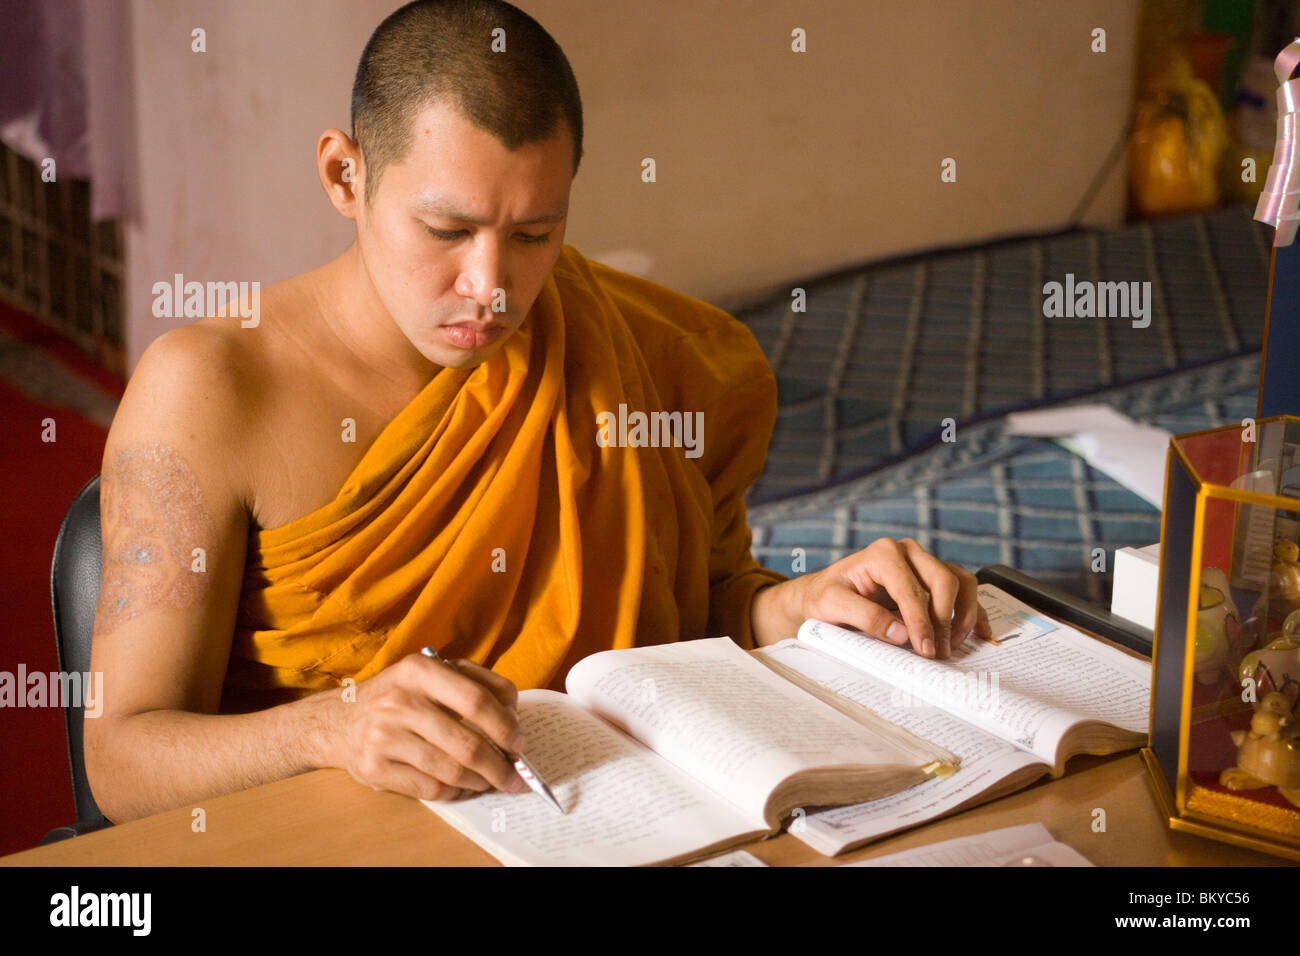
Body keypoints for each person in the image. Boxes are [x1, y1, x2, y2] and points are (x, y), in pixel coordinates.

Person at [84, 0, 990, 824]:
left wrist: (807, 606)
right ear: (344, 176)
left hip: (622, 824)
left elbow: (701, 611)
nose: (490, 289)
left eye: (532, 236)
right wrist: (331, 729)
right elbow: (121, 763)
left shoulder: (633, 346)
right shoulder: (209, 390)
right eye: (446, 232)